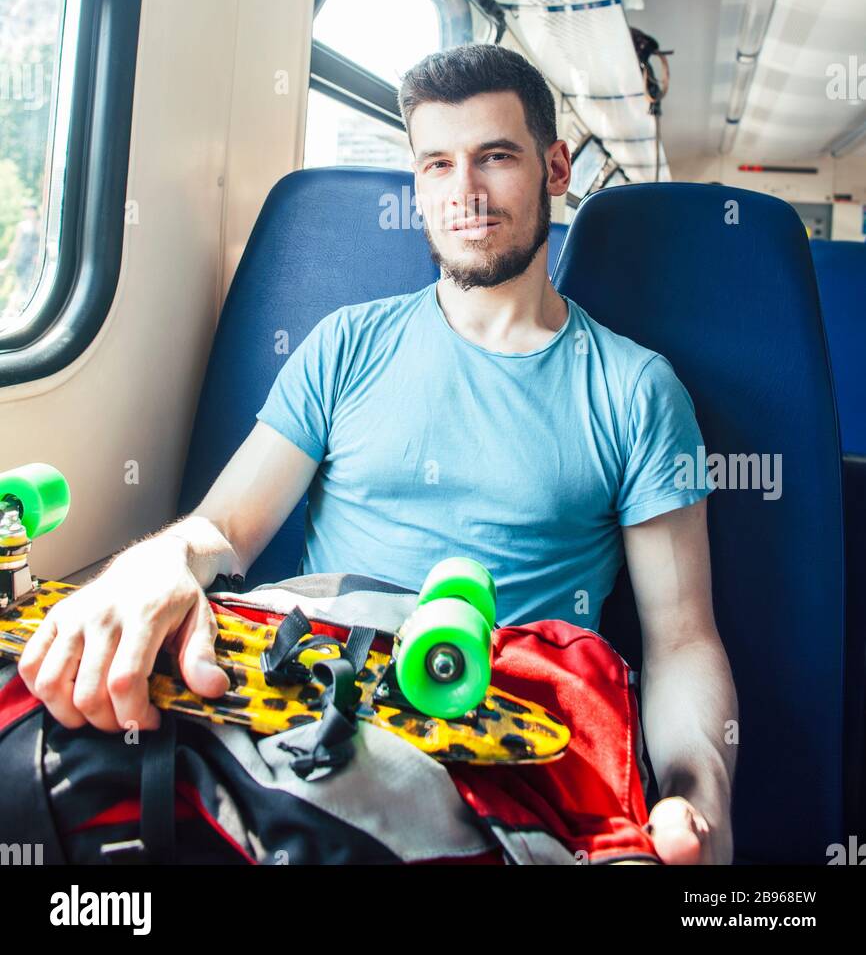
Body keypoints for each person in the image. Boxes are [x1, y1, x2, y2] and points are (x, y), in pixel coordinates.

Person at [18, 43, 737, 864]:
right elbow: (223, 530)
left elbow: (682, 638)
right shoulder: (346, 346)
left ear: (556, 167)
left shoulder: (636, 390)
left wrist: (693, 796)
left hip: (504, 739)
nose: (463, 192)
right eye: (436, 164)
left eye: (494, 157)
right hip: (318, 707)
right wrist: (159, 565)